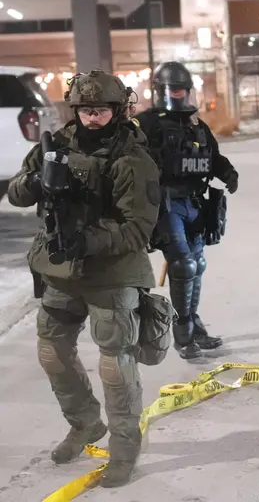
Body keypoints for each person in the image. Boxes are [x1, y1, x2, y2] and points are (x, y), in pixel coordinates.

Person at [7, 69, 161, 487]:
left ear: (117, 111)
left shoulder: (132, 160)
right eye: (85, 110)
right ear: (74, 110)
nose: (92, 118)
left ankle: (125, 446)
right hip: (61, 272)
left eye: (101, 111)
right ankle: (85, 424)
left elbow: (137, 229)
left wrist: (86, 241)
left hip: (112, 273)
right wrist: (37, 180)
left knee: (115, 364)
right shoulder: (54, 147)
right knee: (52, 352)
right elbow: (17, 194)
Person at [133, 61, 239, 360]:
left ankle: (193, 322)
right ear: (161, 91)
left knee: (198, 263)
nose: (178, 96)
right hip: (167, 206)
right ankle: (182, 333)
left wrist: (228, 173)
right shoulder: (146, 124)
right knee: (182, 265)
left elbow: (213, 156)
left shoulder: (196, 124)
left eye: (182, 91)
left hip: (194, 202)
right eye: (173, 90)